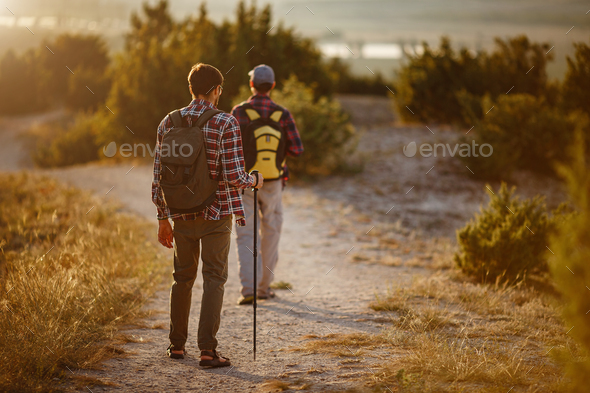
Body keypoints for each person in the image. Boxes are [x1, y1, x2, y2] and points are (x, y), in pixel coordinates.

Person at [152, 63, 263, 367]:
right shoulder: (225, 122)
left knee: (182, 279)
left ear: (191, 88)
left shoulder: (168, 122)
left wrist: (163, 218)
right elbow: (235, 176)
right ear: (216, 90)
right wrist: (255, 179)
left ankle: (176, 346)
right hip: (216, 215)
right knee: (214, 278)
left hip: (181, 216)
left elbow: (158, 176)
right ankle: (207, 350)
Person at [231, 64, 303, 305]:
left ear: (251, 84)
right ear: (272, 86)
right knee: (271, 233)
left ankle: (248, 289)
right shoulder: (282, 114)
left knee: (245, 235)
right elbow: (297, 149)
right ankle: (264, 288)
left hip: (245, 181)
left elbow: (230, 147)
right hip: (273, 182)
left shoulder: (239, 111)